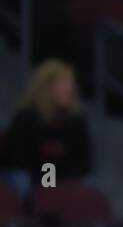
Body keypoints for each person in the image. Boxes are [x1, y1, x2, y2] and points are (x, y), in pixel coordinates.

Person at [0, 59, 92, 197]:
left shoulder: (76, 121)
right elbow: (18, 158)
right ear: (46, 87)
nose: (70, 88)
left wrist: (57, 173)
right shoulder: (26, 117)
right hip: (25, 174)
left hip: (61, 175)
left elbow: (83, 161)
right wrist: (48, 175)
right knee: (23, 181)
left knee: (89, 185)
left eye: (71, 83)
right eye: (63, 83)